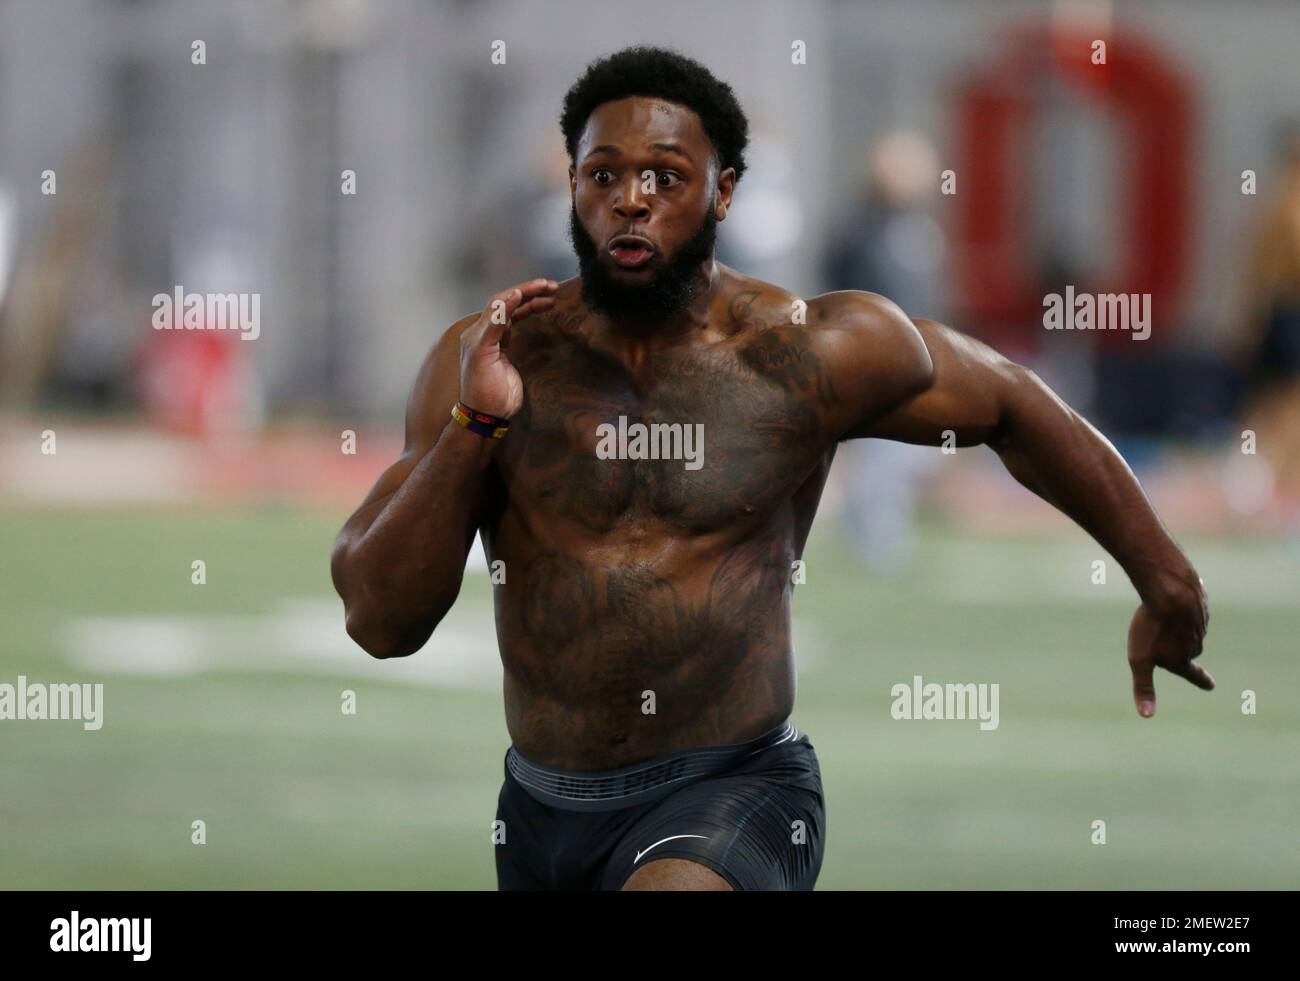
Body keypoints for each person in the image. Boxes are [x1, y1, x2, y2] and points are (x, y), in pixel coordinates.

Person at [330, 46, 1212, 891]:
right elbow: (380, 620)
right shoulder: (487, 361)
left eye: (666, 177)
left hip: (733, 788)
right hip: (539, 807)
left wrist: (1165, 580)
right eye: (605, 174)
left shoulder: (806, 351)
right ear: (571, 187)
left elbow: (1013, 402)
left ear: (724, 192)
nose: (632, 200)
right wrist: (475, 425)